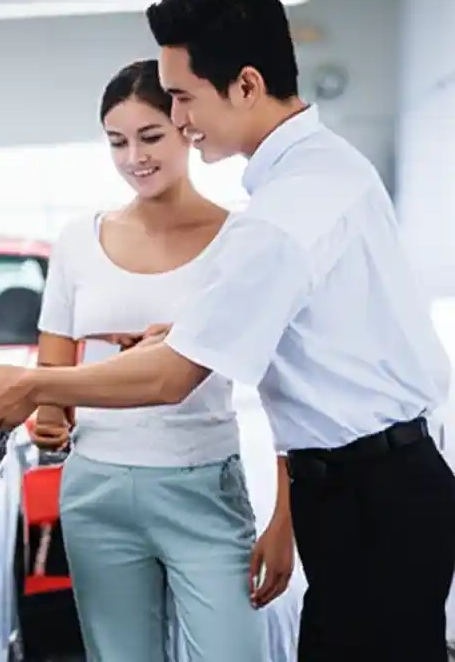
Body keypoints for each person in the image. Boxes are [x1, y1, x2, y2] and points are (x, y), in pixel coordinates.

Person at [0, 0, 455, 661]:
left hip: (367, 495)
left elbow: (175, 377)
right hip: (380, 484)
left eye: (181, 98)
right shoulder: (329, 169)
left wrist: (34, 385)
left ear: (244, 83)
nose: (179, 121)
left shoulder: (276, 218)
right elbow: (272, 324)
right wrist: (173, 337)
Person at [29, 58, 290, 662]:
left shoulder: (241, 239)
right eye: (117, 142)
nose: (133, 158)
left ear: (186, 130)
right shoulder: (76, 241)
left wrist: (284, 519)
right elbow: (52, 392)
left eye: (150, 137)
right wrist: (50, 418)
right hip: (98, 491)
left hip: (204, 485)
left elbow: (286, 388)